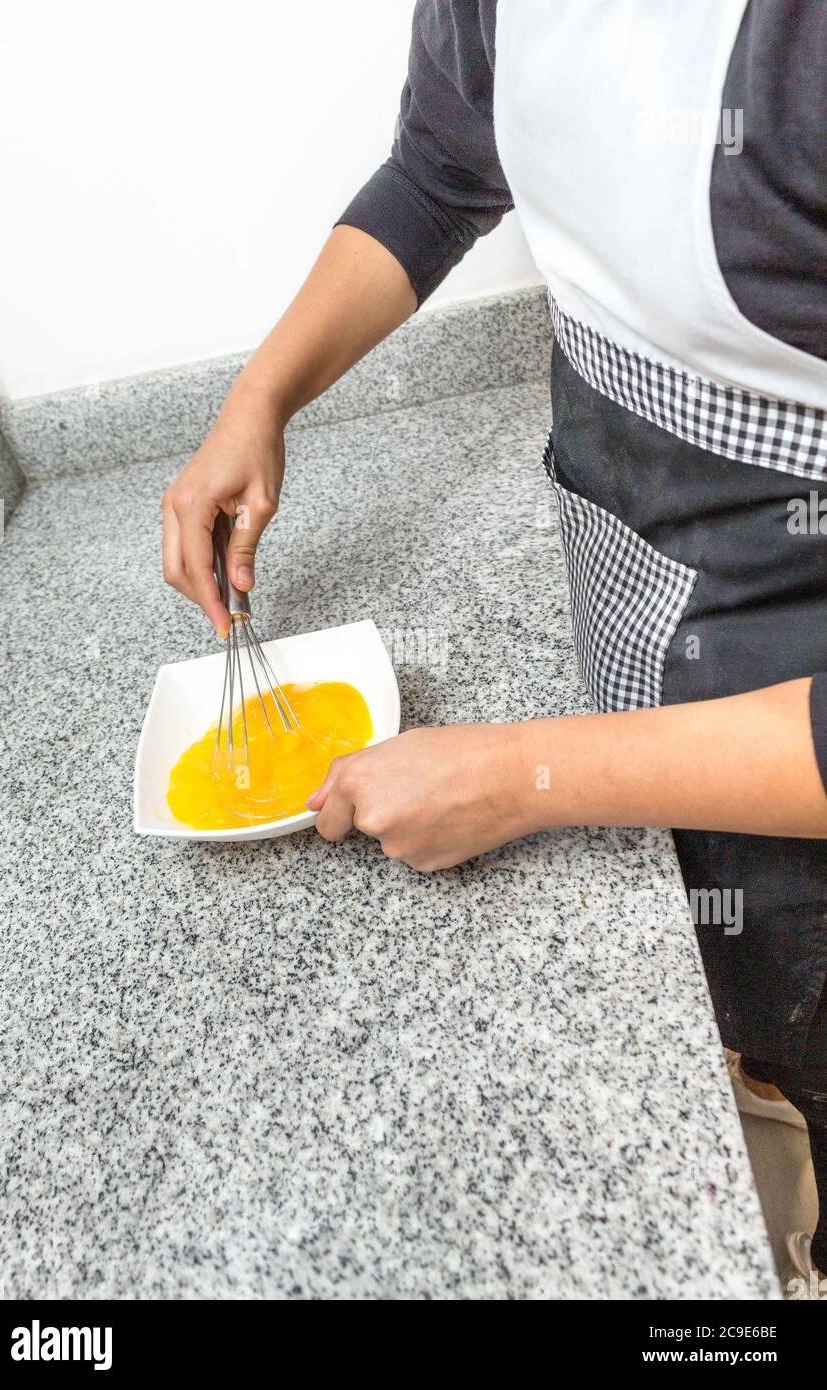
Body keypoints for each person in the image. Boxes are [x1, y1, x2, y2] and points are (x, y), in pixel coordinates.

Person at [161, 2, 827, 1289]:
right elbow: (440, 167)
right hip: (655, 602)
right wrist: (260, 397)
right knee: (750, 1003)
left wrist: (524, 776)